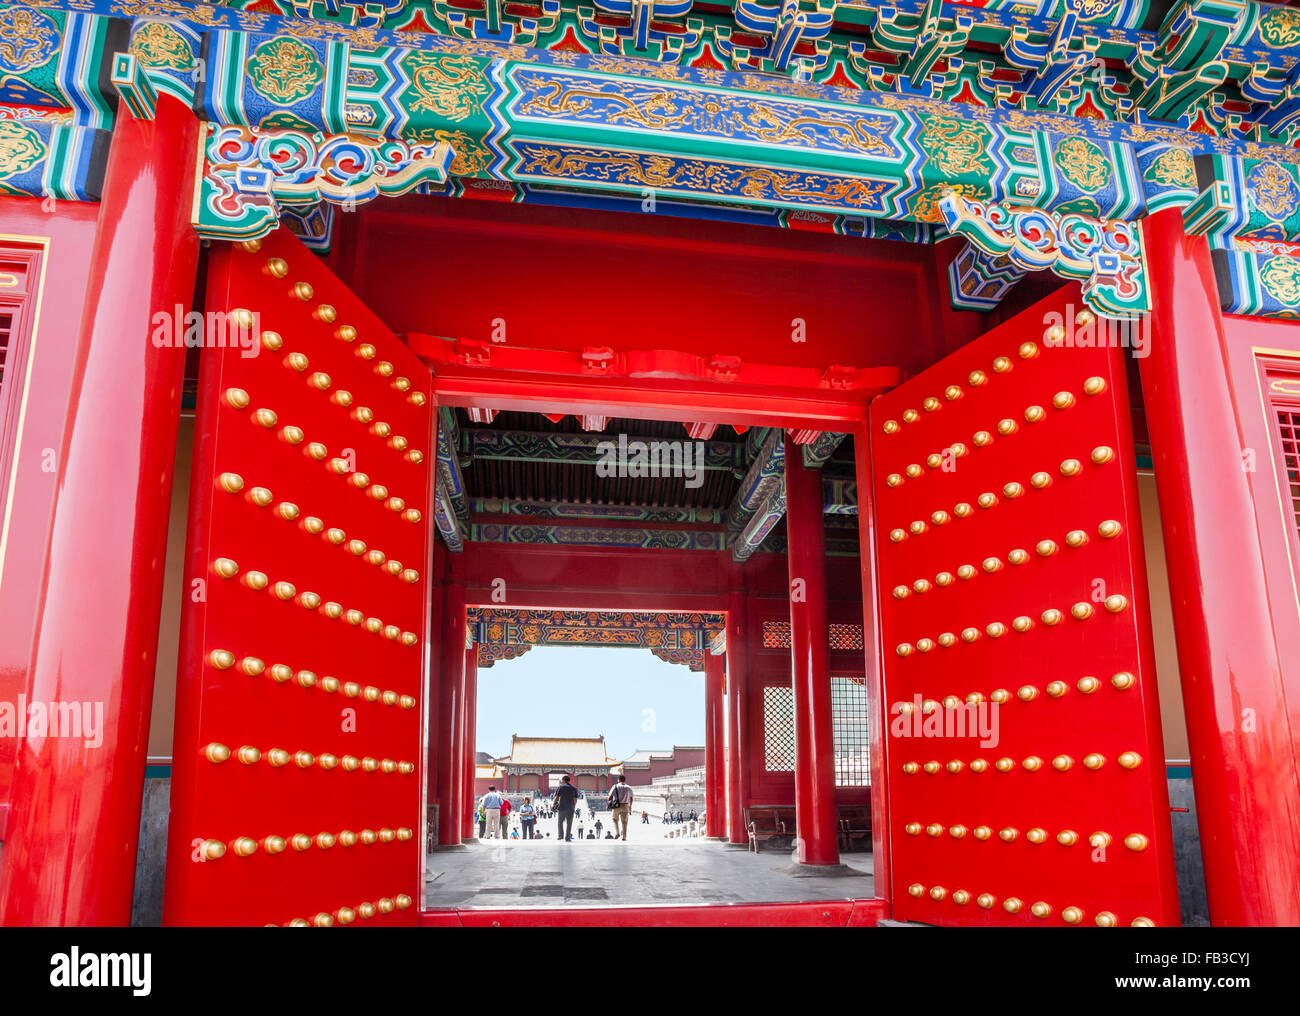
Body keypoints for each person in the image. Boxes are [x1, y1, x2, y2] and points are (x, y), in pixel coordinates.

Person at [607, 774, 634, 841]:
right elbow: (631, 798)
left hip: (616, 806)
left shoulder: (615, 786)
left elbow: (610, 798)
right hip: (625, 805)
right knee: (624, 822)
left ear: (618, 780)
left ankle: (617, 833)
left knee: (615, 819)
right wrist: (630, 806)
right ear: (624, 780)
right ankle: (624, 837)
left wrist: (609, 803)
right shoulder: (629, 787)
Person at [552, 775, 579, 841]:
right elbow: (575, 799)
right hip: (571, 808)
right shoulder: (574, 788)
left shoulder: (561, 787)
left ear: (563, 780)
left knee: (560, 822)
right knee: (569, 823)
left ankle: (560, 836)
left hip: (562, 807)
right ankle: (567, 838)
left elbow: (557, 797)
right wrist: (573, 806)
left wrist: (553, 805)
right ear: (569, 780)